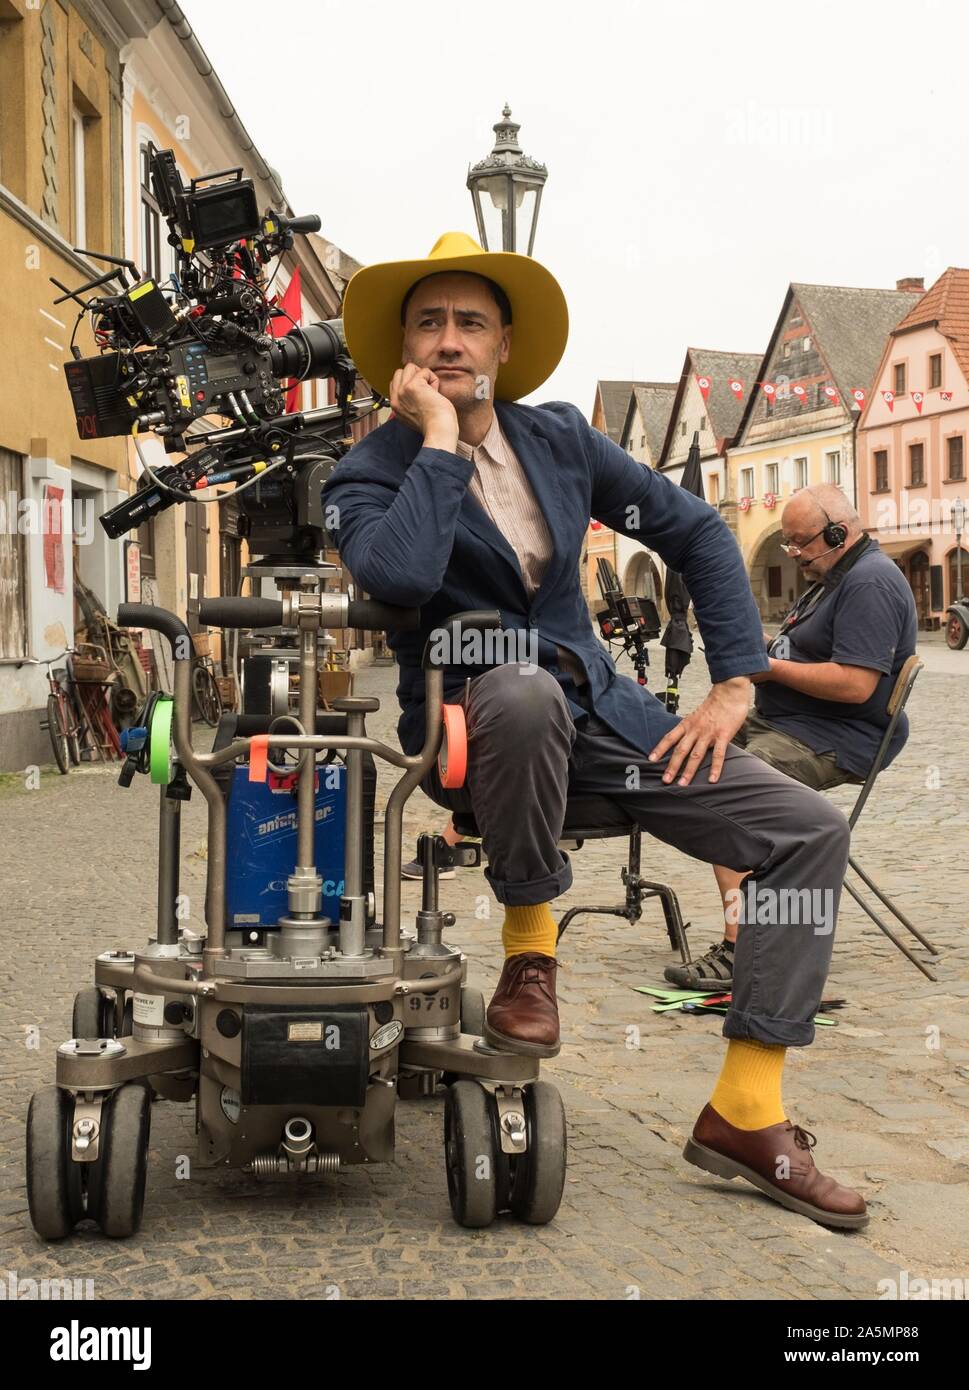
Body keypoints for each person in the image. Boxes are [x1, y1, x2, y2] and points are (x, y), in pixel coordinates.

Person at [322, 232, 865, 1228]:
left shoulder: (563, 438)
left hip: (606, 723)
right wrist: (439, 439)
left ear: (505, 342)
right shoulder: (371, 471)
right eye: (429, 324)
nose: (449, 340)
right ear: (403, 351)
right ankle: (533, 949)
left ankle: (747, 1109)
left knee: (806, 834)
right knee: (521, 685)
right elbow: (398, 576)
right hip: (475, 730)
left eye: (469, 322)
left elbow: (699, 530)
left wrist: (736, 680)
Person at [665, 485, 919, 990]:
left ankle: (744, 951)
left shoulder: (869, 583)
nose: (795, 554)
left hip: (839, 737)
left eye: (801, 543)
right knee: (683, 753)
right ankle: (764, 925)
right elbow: (800, 647)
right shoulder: (834, 574)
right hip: (791, 724)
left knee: (726, 797)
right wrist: (744, 642)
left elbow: (854, 684)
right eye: (788, 544)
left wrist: (769, 667)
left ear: (838, 533)